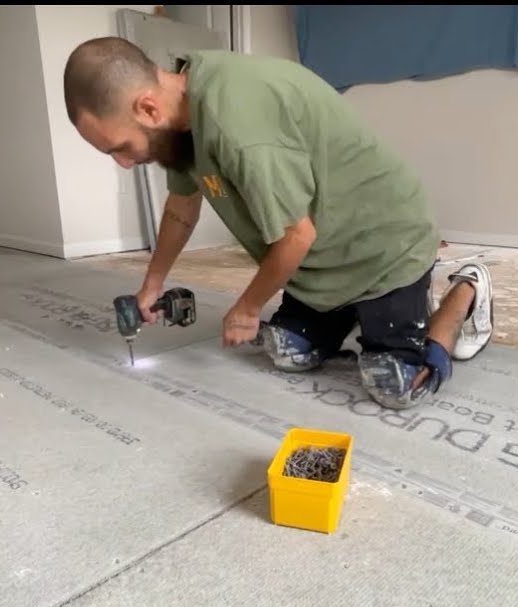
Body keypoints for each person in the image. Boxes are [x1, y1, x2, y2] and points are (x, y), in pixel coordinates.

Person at [62, 37, 494, 410]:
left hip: (382, 249)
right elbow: (181, 208)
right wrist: (153, 283)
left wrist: (247, 307)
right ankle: (361, 315)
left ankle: (466, 291)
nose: (123, 163)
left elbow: (295, 234)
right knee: (287, 352)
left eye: (119, 147)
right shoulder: (180, 108)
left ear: (148, 108)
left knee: (395, 386)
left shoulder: (239, 126)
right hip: (322, 261)